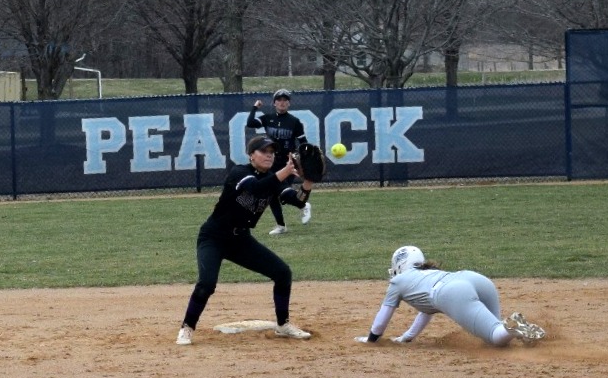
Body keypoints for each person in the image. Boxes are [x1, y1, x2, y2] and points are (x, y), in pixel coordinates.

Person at [176, 135, 314, 345]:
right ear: (251, 155)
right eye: (263, 151)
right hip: (213, 237)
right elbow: (256, 188)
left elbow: (296, 200)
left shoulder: (274, 180)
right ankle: (187, 327)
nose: (269, 155)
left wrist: (309, 181)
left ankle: (283, 325)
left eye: (272, 152)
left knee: (282, 273)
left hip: (241, 240)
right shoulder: (239, 172)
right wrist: (285, 172)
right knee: (206, 284)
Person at [353, 246, 546, 347]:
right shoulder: (428, 273)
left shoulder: (399, 281)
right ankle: (518, 330)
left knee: (494, 337)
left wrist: (371, 339)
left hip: (452, 290)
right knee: (496, 335)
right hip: (473, 278)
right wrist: (407, 337)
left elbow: (381, 320)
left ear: (400, 265)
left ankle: (514, 326)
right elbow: (426, 312)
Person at [247, 89, 311, 235]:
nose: (282, 102)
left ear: (289, 103)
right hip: (271, 163)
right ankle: (281, 226)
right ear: (274, 103)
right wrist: (255, 107)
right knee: (271, 194)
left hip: (288, 162)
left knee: (282, 193)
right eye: (279, 100)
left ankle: (303, 204)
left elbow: (302, 142)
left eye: (285, 100)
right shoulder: (267, 118)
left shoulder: (294, 122)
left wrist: (305, 157)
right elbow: (250, 123)